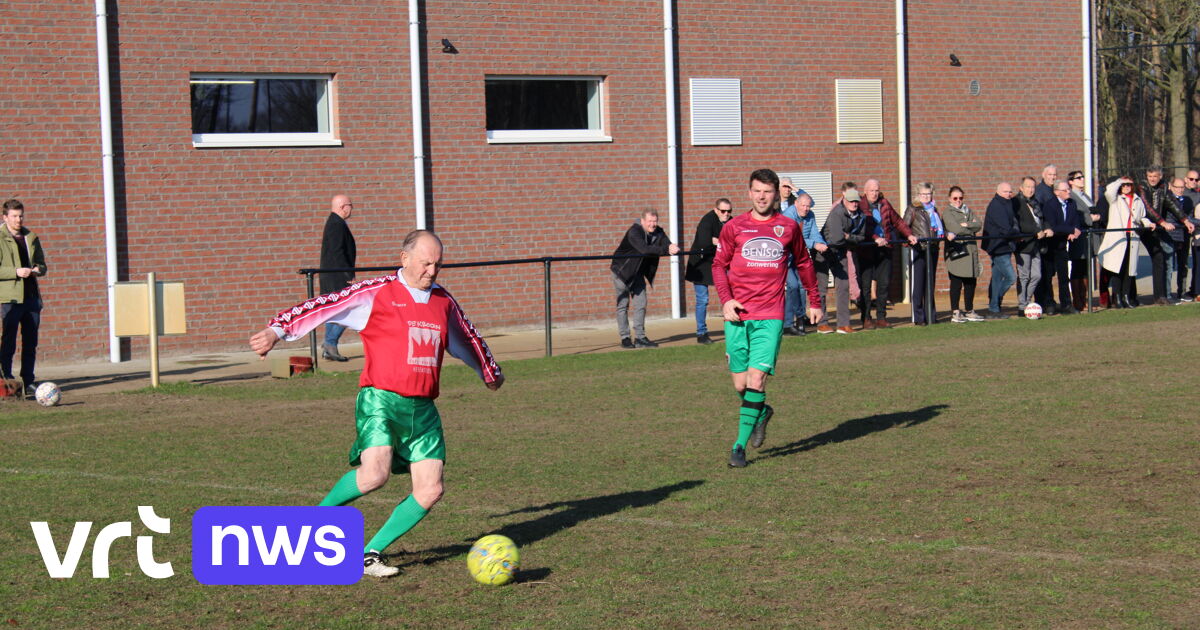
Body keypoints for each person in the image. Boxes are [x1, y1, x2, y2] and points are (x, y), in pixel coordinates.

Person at [248, 230, 504, 578]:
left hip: (423, 409)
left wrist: (489, 371)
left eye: (438, 264)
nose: (432, 270)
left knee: (430, 490)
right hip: (381, 400)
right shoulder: (376, 292)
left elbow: (466, 338)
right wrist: (278, 331)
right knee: (374, 475)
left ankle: (368, 554)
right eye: (426, 262)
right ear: (404, 259)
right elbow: (324, 306)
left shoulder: (443, 301)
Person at [712, 168, 822, 468]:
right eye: (757, 191)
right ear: (749, 193)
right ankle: (761, 412)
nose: (762, 196)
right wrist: (726, 300)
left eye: (768, 191)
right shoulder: (734, 227)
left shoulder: (788, 227)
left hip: (771, 315)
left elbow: (803, 262)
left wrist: (814, 300)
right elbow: (719, 265)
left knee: (756, 379)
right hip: (737, 315)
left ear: (777, 194)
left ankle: (738, 447)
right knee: (740, 385)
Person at [610, 210, 680, 348]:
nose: (653, 224)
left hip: (637, 273)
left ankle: (640, 338)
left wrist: (671, 246)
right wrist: (666, 250)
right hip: (622, 272)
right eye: (650, 221)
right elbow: (644, 249)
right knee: (623, 305)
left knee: (641, 304)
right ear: (642, 221)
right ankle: (625, 338)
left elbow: (666, 243)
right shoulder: (634, 232)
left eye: (655, 221)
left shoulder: (658, 231)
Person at [0, 199, 47, 396]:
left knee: (30, 342)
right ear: (5, 217)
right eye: (14, 216)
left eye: (21, 215)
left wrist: (37, 270)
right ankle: (6, 382)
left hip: (31, 298)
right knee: (8, 341)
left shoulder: (31, 237)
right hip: (11, 299)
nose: (18, 220)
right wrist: (16, 272)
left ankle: (28, 381)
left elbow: (43, 265)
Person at [856, 178, 917, 329]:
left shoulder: (885, 204)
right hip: (866, 250)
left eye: (877, 190)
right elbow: (861, 227)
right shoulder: (860, 205)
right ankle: (866, 318)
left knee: (883, 284)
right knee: (865, 286)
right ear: (865, 191)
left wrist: (909, 234)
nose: (874, 193)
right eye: (871, 190)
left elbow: (898, 222)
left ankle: (881, 317)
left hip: (886, 248)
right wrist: (875, 238)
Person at [819, 189, 872, 333]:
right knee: (821, 288)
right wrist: (850, 239)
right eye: (851, 201)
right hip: (823, 251)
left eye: (856, 201)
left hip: (841, 251)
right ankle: (822, 323)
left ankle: (843, 324)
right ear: (844, 200)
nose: (854, 204)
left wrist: (849, 238)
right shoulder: (836, 213)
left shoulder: (861, 215)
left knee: (843, 286)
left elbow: (861, 238)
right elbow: (836, 238)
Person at [1098, 177, 1153, 308]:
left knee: (1130, 270)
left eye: (1129, 185)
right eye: (1124, 185)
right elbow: (1109, 191)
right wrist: (1119, 181)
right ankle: (1117, 298)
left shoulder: (1137, 200)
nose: (1126, 187)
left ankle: (1126, 296)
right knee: (1118, 269)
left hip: (1132, 237)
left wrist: (1148, 223)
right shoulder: (1115, 199)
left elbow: (1142, 217)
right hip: (1119, 237)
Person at [685, 198, 733, 344]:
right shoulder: (707, 221)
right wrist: (720, 242)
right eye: (723, 211)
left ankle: (734, 327)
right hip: (701, 264)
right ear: (716, 210)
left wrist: (718, 241)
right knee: (702, 299)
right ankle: (701, 333)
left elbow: (735, 240)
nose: (726, 214)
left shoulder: (731, 221)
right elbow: (705, 243)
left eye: (729, 211)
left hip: (720, 262)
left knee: (730, 294)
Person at [781, 192, 828, 335]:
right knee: (793, 286)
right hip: (786, 258)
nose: (806, 209)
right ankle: (787, 323)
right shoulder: (788, 216)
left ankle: (800, 319)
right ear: (796, 204)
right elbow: (794, 239)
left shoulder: (810, 215)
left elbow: (814, 233)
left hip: (800, 257)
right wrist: (814, 244)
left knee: (802, 287)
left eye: (808, 206)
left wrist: (820, 242)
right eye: (803, 206)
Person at [319, 194, 357, 362]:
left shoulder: (336, 223)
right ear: (343, 206)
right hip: (337, 277)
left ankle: (330, 346)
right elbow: (337, 253)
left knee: (336, 311)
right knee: (347, 310)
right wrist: (348, 276)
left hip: (334, 276)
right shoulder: (336, 224)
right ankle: (329, 343)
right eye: (350, 205)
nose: (351, 208)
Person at [941, 186, 984, 323]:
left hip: (970, 251)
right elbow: (955, 228)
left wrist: (967, 225)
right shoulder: (948, 212)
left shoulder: (967, 210)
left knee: (971, 282)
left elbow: (979, 224)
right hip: (957, 252)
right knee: (956, 283)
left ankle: (969, 310)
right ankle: (956, 312)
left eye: (960, 198)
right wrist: (968, 227)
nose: (958, 200)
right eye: (955, 198)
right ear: (950, 199)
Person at [1040, 182, 1083, 314]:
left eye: (1068, 189)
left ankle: (1066, 304)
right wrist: (1071, 229)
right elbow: (1053, 225)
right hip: (1049, 246)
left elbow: (1075, 221)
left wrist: (1074, 231)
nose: (1068, 192)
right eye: (1065, 190)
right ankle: (1049, 304)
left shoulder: (1072, 203)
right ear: (1057, 192)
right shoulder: (1050, 205)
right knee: (1047, 276)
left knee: (1064, 277)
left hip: (1062, 246)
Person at [982, 182, 1019, 318]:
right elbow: (1006, 228)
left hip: (1004, 245)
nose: (1008, 194)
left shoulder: (1006, 203)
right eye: (1005, 191)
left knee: (997, 278)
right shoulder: (996, 205)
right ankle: (995, 302)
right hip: (998, 246)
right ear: (998, 192)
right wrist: (1016, 234)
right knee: (1010, 277)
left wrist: (1014, 231)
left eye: (1010, 192)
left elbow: (1013, 223)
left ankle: (994, 309)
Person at [1014, 177, 1052, 311]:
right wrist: (1037, 231)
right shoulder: (1016, 202)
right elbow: (1022, 223)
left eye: (1033, 187)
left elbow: (1042, 219)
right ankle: (1022, 305)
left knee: (1037, 275)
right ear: (1021, 188)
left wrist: (1047, 228)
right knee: (1024, 276)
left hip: (1037, 244)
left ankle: (1027, 300)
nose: (1030, 190)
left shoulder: (1035, 202)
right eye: (1028, 187)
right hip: (1024, 244)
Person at [1067, 170, 1100, 311]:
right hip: (1079, 237)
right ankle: (1078, 301)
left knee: (1086, 268)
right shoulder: (1072, 197)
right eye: (1078, 178)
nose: (1082, 179)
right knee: (1077, 268)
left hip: (1089, 237)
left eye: (1082, 177)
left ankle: (1085, 299)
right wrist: (1089, 219)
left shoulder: (1085, 195)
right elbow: (1075, 214)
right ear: (1071, 182)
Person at [903, 189, 934, 325]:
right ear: (918, 195)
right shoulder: (913, 209)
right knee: (918, 283)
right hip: (918, 248)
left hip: (931, 248)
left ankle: (931, 316)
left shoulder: (934, 209)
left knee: (929, 284)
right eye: (923, 194)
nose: (926, 196)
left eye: (928, 194)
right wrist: (910, 238)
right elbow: (904, 226)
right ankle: (918, 316)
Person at [1164, 177, 1196, 300]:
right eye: (1177, 187)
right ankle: (1167, 294)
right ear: (1171, 187)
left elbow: (1189, 217)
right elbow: (1175, 218)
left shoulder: (1187, 201)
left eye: (1182, 187)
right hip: (1170, 236)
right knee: (1169, 266)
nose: (1180, 190)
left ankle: (1181, 292)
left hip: (1184, 236)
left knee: (1184, 265)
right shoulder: (1167, 199)